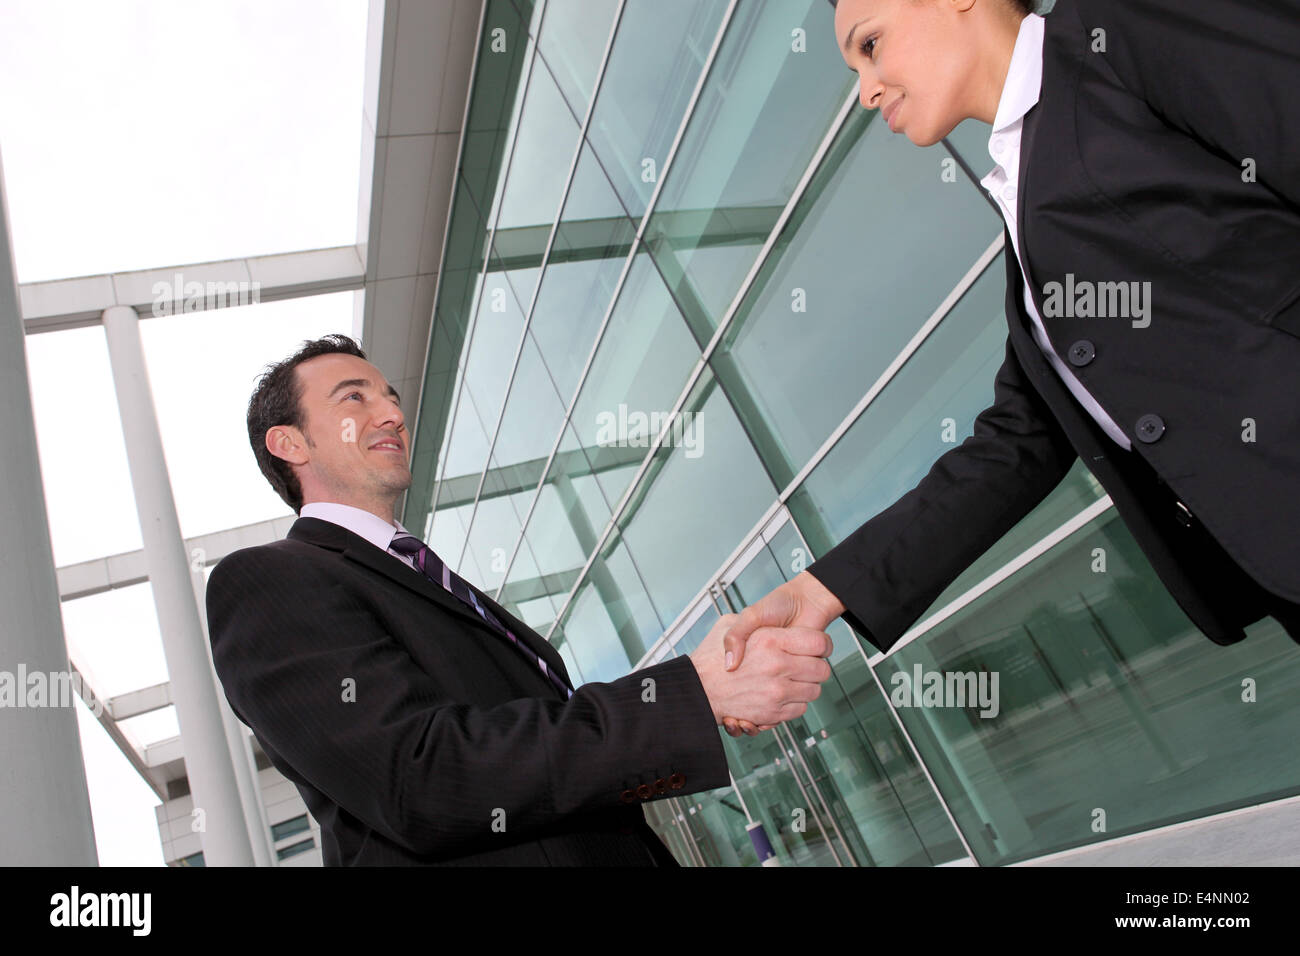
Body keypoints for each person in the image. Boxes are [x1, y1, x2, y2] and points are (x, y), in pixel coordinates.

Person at [719, 0, 1300, 735]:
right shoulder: (1022, 202)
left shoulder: (1127, 36)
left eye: (871, 45)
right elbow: (1018, 443)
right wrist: (817, 593)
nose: (866, 90)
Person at [205, 335, 834, 865]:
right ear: (289, 444)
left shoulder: (428, 578)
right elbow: (422, 778)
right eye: (355, 397)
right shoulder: (263, 584)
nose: (392, 413)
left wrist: (704, 699)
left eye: (391, 397)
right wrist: (687, 696)